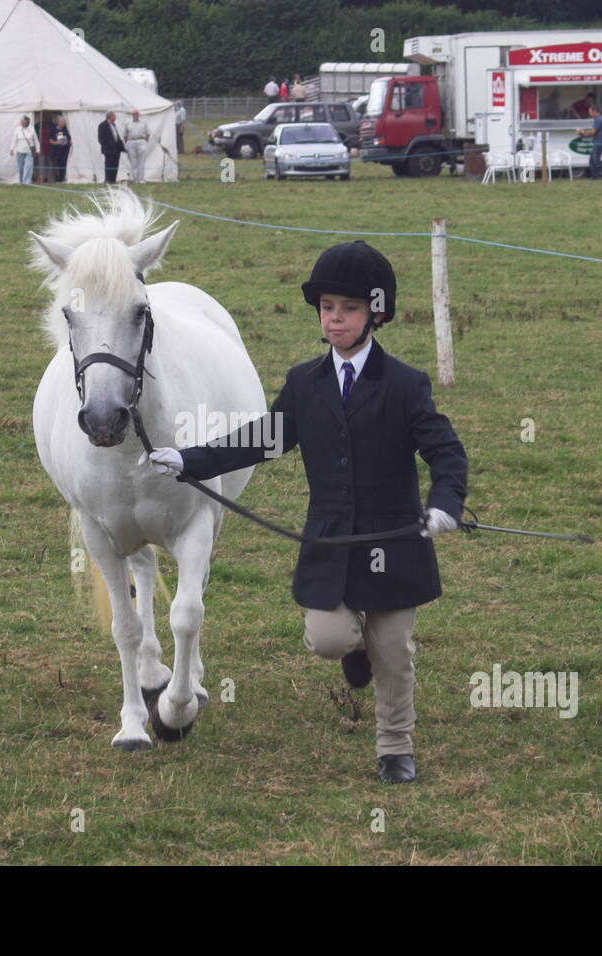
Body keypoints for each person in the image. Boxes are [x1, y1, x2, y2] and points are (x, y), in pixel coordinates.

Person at [146, 241, 469, 784]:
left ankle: (394, 748)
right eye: (326, 308)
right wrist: (189, 459)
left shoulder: (406, 384)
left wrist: (444, 505)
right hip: (330, 546)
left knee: (393, 651)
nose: (335, 318)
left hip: (396, 543)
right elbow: (263, 440)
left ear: (376, 313)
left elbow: (447, 453)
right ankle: (355, 649)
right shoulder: (304, 383)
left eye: (347, 308)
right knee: (327, 638)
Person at [576, 104, 602, 179]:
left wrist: (582, 132)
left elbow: (592, 132)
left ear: (595, 111)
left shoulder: (599, 120)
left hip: (599, 143)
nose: (589, 114)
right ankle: (595, 177)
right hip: (597, 143)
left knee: (597, 162)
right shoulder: (597, 119)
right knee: (592, 162)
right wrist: (583, 133)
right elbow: (592, 133)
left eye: (590, 112)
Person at [97, 110, 124, 184]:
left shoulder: (114, 125)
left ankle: (113, 180)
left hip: (116, 149)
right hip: (108, 150)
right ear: (111, 116)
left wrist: (122, 147)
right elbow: (101, 139)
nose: (115, 117)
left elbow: (116, 137)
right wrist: (107, 146)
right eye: (114, 116)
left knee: (115, 165)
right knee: (109, 164)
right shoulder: (102, 125)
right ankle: (108, 179)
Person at [9, 115, 38, 185]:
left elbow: (36, 140)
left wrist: (38, 149)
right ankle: (21, 180)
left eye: (22, 121)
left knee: (28, 166)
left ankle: (26, 181)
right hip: (19, 151)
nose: (21, 122)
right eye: (21, 121)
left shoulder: (32, 129)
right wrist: (12, 148)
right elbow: (14, 139)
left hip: (29, 151)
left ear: (26, 122)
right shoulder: (17, 129)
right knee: (20, 167)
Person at [124, 108, 150, 185]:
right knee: (133, 161)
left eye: (136, 114)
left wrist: (145, 142)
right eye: (133, 114)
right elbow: (125, 135)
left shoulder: (144, 122)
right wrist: (128, 143)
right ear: (132, 115)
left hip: (141, 141)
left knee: (141, 161)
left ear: (138, 114)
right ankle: (135, 179)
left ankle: (141, 179)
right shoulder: (127, 123)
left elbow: (148, 134)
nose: (135, 115)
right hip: (131, 141)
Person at [49, 115, 71, 183]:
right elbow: (50, 140)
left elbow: (69, 138)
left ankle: (62, 177)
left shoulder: (65, 129)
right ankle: (56, 178)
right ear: (58, 122)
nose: (64, 122)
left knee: (63, 163)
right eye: (62, 121)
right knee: (56, 164)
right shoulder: (53, 129)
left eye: (64, 121)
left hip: (65, 150)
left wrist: (70, 141)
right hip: (56, 150)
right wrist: (57, 143)